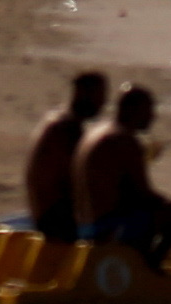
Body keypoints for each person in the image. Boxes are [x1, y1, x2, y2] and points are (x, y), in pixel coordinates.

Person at [71, 81, 171, 270]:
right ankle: (151, 266)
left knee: (150, 212)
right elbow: (143, 194)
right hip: (108, 230)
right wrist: (168, 208)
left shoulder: (98, 131)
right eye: (148, 110)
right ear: (133, 110)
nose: (152, 117)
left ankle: (141, 258)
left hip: (84, 227)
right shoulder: (124, 140)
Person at [20, 69, 108, 242]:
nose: (102, 104)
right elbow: (81, 178)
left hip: (45, 212)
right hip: (57, 219)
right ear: (83, 93)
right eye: (99, 97)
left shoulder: (57, 120)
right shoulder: (67, 128)